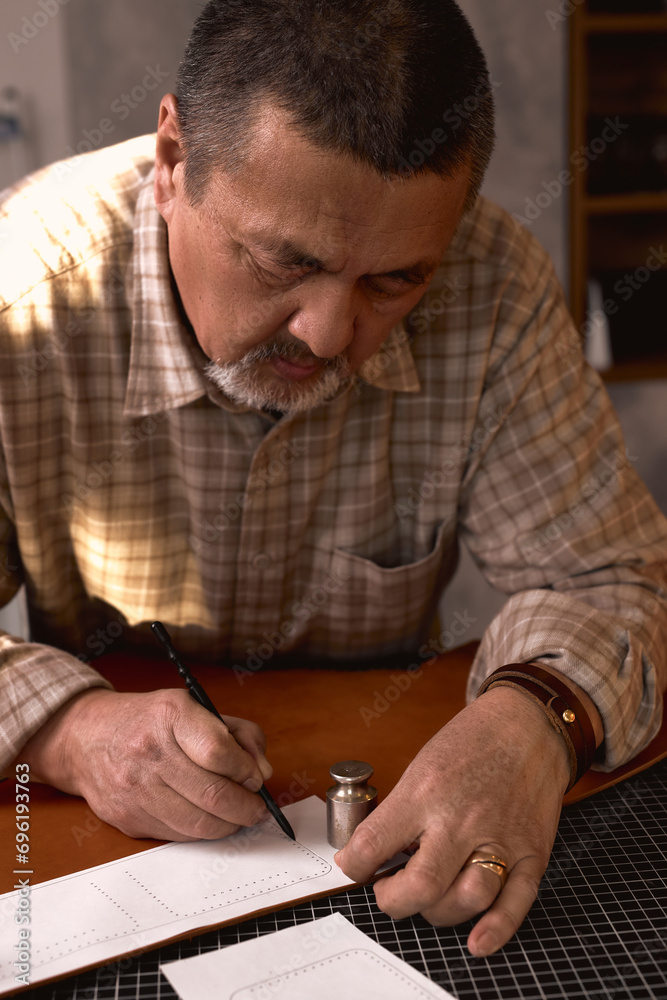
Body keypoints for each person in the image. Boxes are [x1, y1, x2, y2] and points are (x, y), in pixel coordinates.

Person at [0, 0, 665, 959]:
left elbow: (616, 579)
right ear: (174, 160)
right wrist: (69, 732)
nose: (325, 334)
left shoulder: (489, 283)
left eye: (392, 283)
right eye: (285, 262)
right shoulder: (21, 293)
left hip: (376, 816)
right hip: (94, 847)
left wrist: (538, 717)